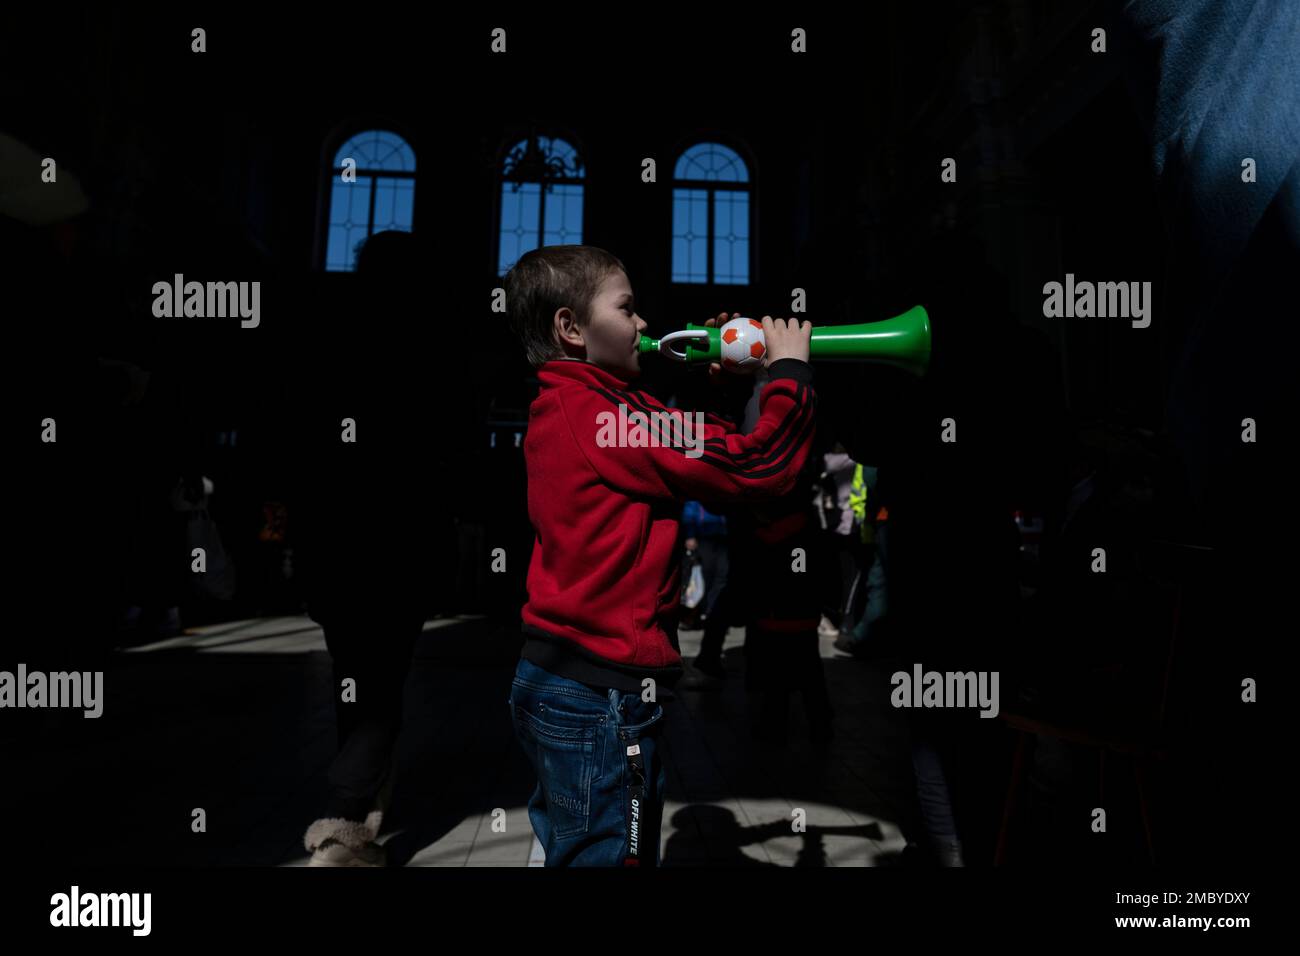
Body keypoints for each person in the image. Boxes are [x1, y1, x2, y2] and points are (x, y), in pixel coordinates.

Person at [503, 244, 815, 865]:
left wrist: (729, 378)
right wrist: (790, 377)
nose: (644, 324)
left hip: (558, 679)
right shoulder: (606, 417)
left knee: (575, 844)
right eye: (628, 308)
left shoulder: (573, 406)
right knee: (618, 854)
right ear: (570, 328)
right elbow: (758, 468)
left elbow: (697, 447)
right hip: (603, 695)